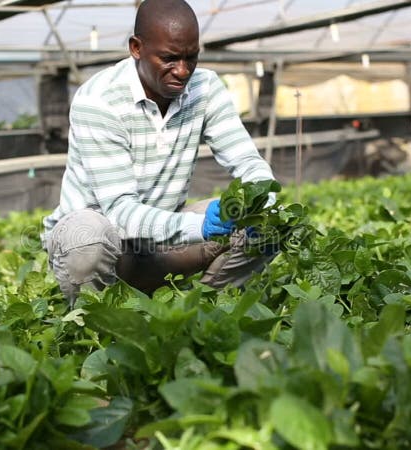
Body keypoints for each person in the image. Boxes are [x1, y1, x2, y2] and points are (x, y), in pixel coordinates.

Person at [42, 0, 277, 304]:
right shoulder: (99, 101)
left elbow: (247, 162)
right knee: (88, 238)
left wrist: (260, 201)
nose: (182, 71)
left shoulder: (205, 89)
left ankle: (203, 310)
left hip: (160, 242)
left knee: (270, 223)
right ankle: (93, 321)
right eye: (169, 58)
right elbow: (119, 212)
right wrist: (199, 226)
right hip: (101, 247)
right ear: (136, 48)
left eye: (191, 57)